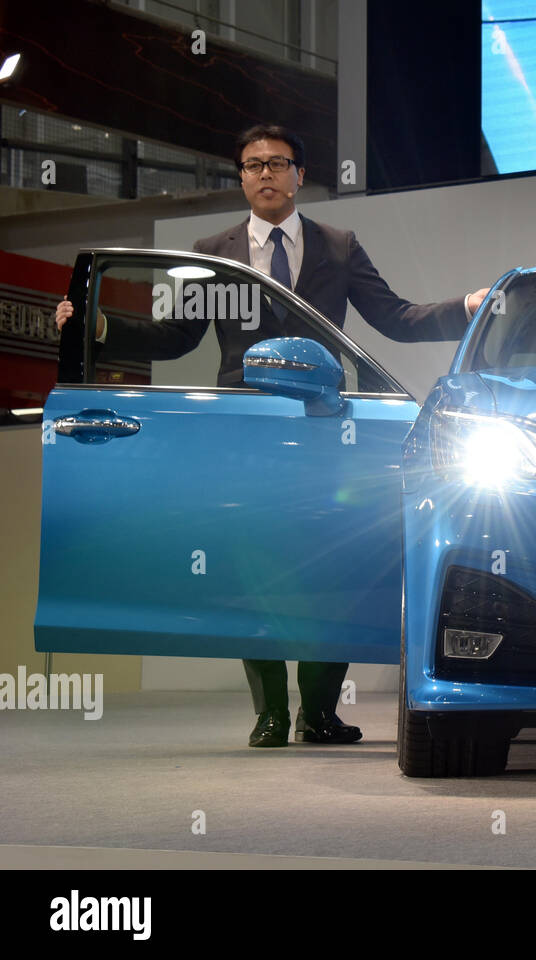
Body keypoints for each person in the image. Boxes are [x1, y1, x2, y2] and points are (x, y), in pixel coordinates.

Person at [54, 123, 489, 749]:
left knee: (329, 562)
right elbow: (173, 338)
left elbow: (394, 317)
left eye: (277, 163)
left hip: (324, 423)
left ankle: (319, 713)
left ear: (299, 175)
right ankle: (270, 715)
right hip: (243, 427)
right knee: (251, 564)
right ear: (240, 176)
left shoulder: (339, 245)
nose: (265, 173)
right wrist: (97, 327)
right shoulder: (211, 250)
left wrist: (466, 307)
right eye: (253, 164)